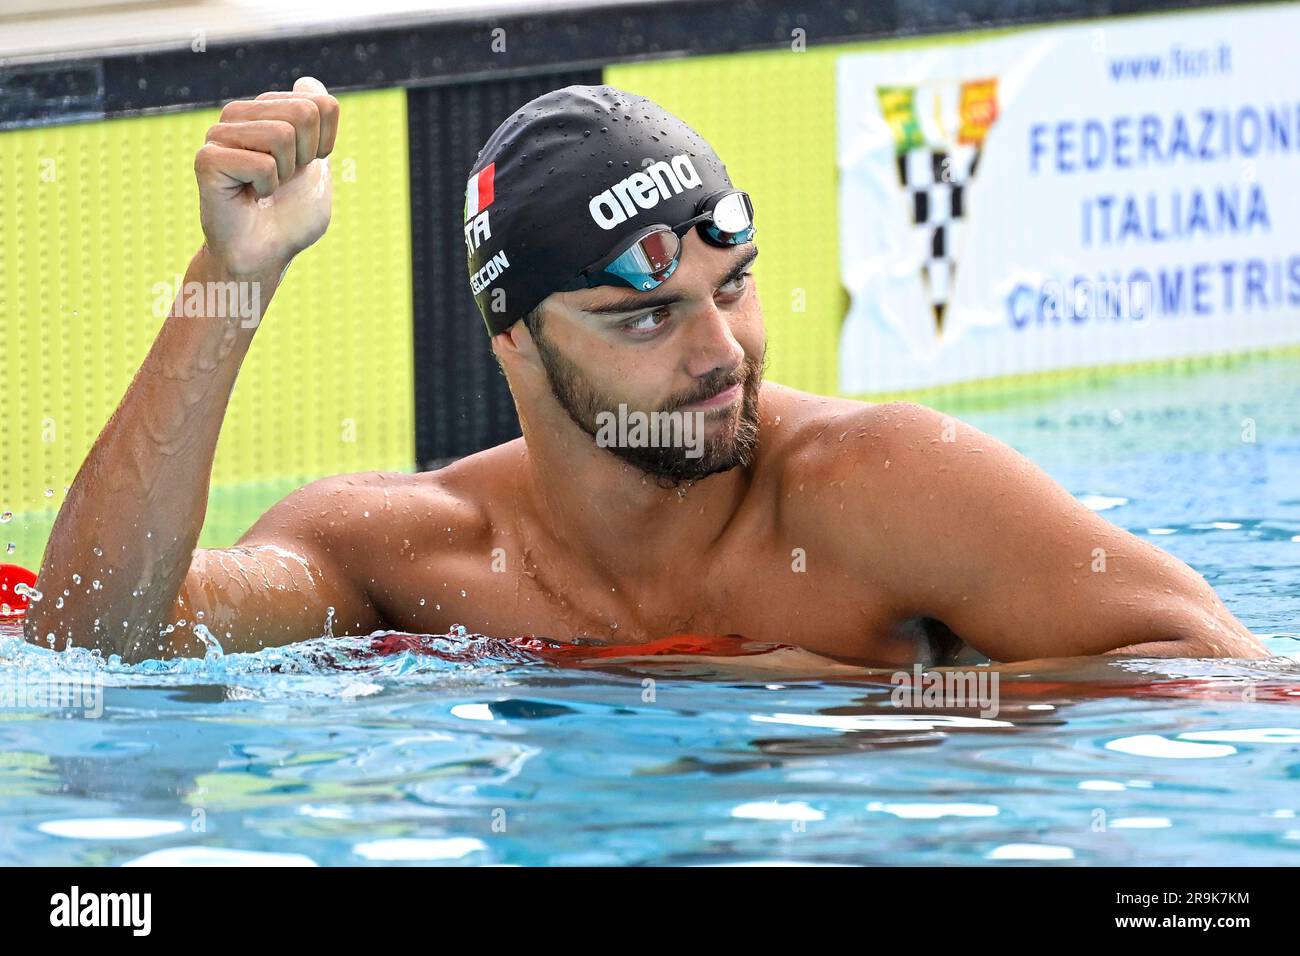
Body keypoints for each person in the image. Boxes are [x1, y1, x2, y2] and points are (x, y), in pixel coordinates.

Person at [24, 78, 1269, 665]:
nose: (721, 351)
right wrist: (227, 279)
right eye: (644, 319)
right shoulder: (405, 554)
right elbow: (94, 638)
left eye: (731, 289)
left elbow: (1223, 682)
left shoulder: (885, 483)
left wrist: (871, 717)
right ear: (512, 337)